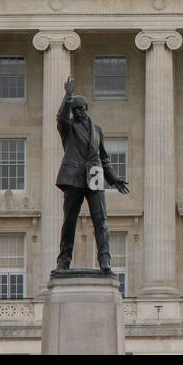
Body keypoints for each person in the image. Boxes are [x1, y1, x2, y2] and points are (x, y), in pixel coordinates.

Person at [55, 76, 129, 272]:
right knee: (69, 221)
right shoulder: (69, 127)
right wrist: (68, 96)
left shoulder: (97, 130)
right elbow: (61, 117)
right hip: (73, 178)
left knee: (101, 220)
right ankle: (64, 260)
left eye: (80, 108)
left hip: (95, 177)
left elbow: (103, 157)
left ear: (86, 108)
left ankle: (104, 259)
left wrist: (113, 179)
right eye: (74, 109)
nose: (77, 112)